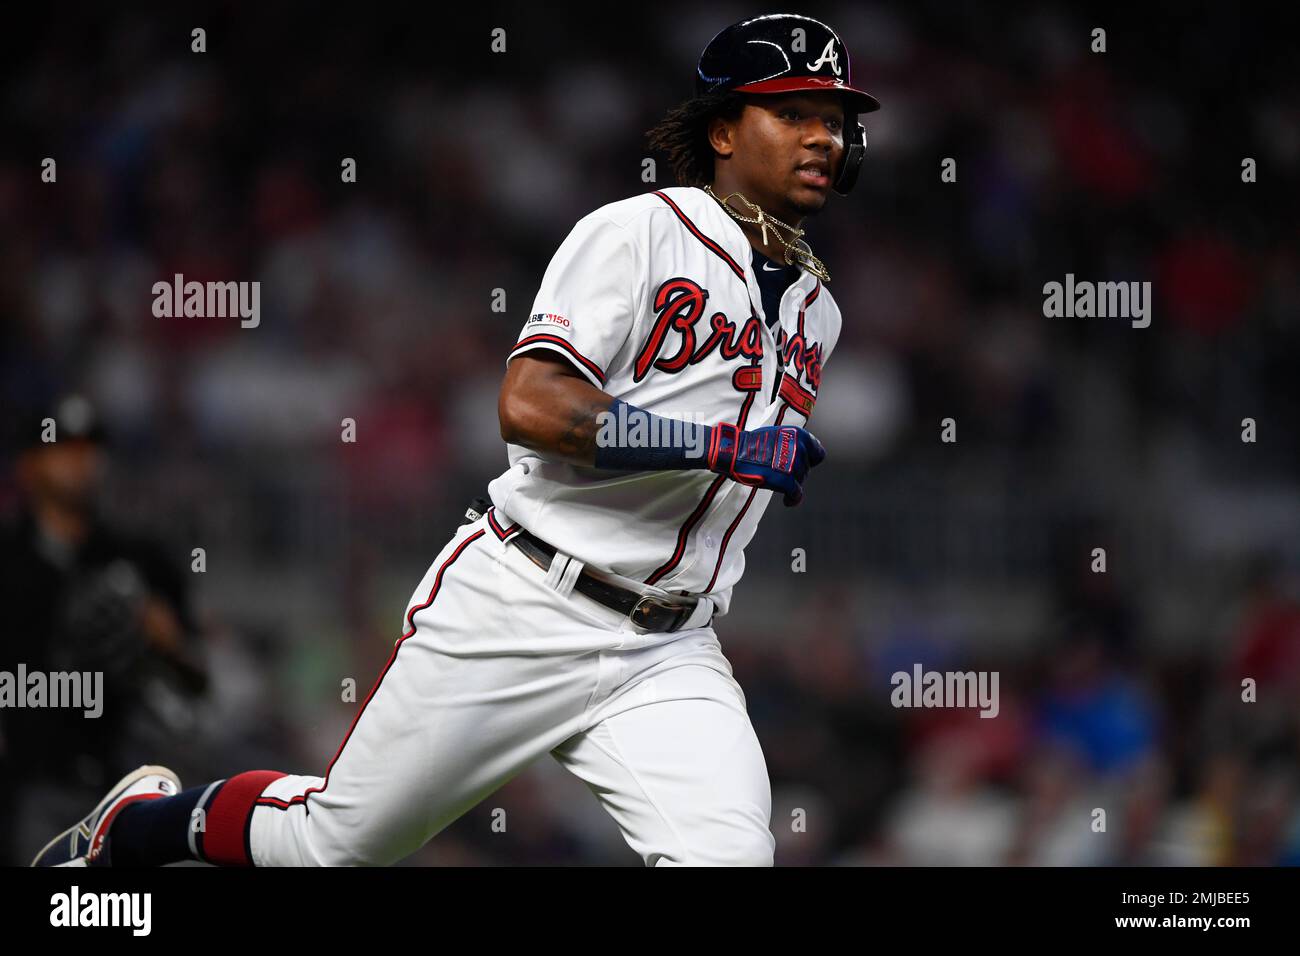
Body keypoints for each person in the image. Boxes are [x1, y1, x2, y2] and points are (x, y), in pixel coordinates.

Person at [30, 12, 879, 868]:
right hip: (526, 599)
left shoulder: (820, 311)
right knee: (334, 845)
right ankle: (134, 829)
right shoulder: (639, 233)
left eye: (834, 119)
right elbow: (530, 407)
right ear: (724, 130)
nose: (822, 136)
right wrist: (715, 446)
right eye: (793, 112)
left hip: (670, 647)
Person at [1, 395, 207, 864]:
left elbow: (200, 682)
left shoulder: (143, 559)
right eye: (64, 447)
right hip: (30, 787)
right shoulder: (7, 560)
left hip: (132, 785)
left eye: (90, 448)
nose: (81, 461)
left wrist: (169, 643)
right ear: (28, 465)